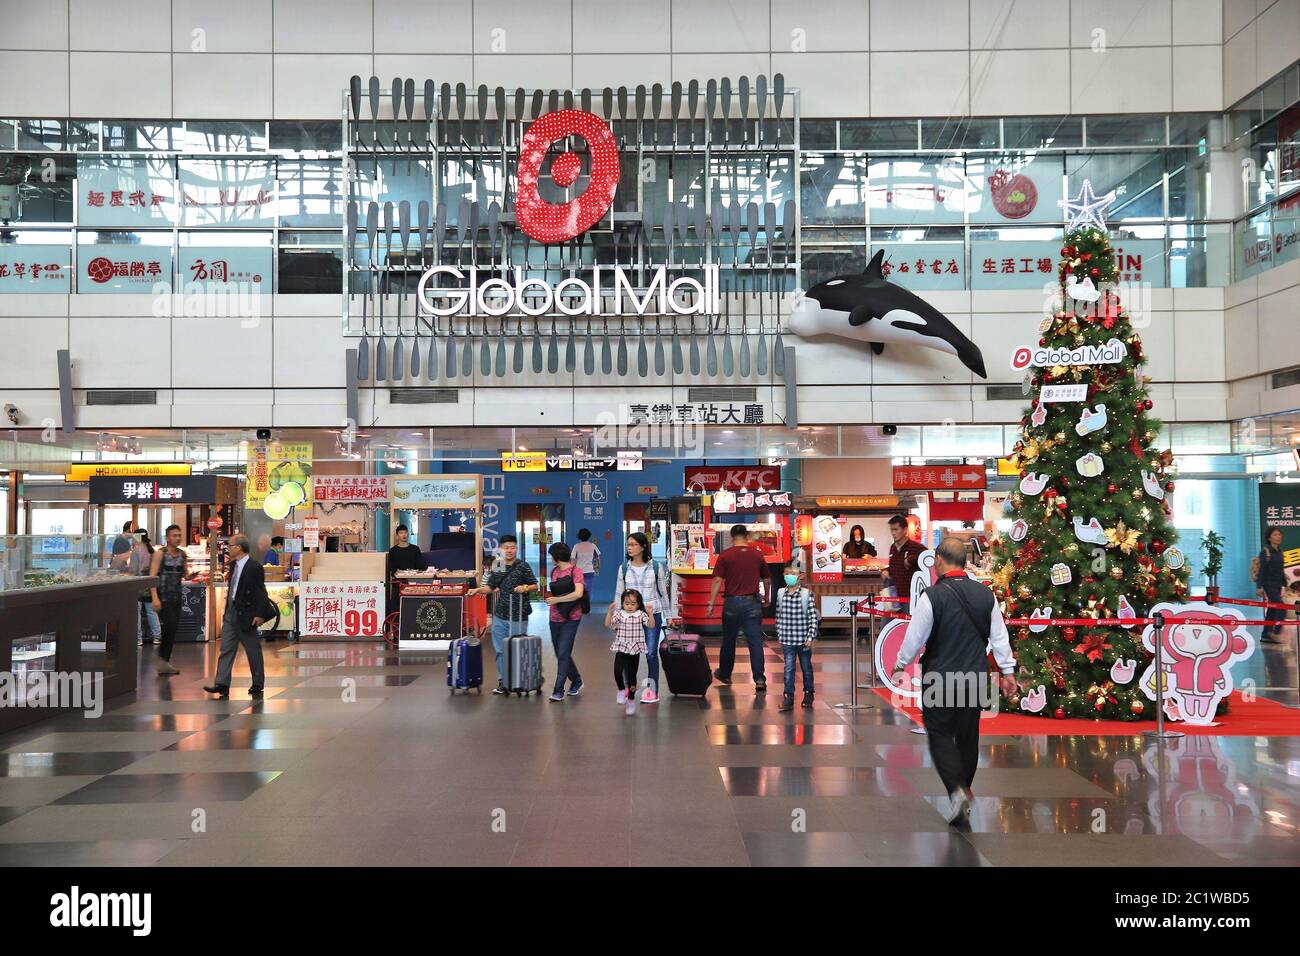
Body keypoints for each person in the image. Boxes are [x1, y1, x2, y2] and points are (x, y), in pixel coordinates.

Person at [892, 536, 1018, 825]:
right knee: (967, 737)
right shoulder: (986, 595)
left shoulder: (932, 597)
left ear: (939, 560)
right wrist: (1008, 672)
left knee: (939, 734)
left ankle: (957, 790)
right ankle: (965, 789)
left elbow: (915, 638)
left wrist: (901, 663)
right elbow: (999, 638)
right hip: (975, 677)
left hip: (940, 676)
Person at [469, 534, 538, 694]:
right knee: (500, 650)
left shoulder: (523, 566)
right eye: (506, 547)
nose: (510, 550)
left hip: (519, 614)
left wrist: (525, 588)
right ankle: (503, 681)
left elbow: (535, 585)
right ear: (501, 549)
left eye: (513, 547)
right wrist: (478, 590)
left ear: (516, 549)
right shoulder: (498, 566)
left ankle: (519, 680)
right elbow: (490, 587)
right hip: (500, 614)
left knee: (517, 648)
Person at [613, 531, 676, 702]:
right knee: (628, 654)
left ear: (643, 547)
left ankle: (652, 691)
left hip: (651, 615)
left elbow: (663, 593)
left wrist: (669, 616)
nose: (630, 548)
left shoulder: (656, 567)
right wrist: (616, 618)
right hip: (629, 618)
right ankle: (629, 688)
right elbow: (619, 594)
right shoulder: (624, 568)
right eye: (628, 545)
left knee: (650, 653)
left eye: (633, 544)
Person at [203, 534, 269, 698]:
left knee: (252, 649)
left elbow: (261, 592)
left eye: (230, 545)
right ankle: (222, 684)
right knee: (226, 648)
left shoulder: (254, 567)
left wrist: (259, 614)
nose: (228, 548)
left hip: (246, 613)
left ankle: (258, 682)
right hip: (231, 611)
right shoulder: (233, 566)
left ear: (239, 547)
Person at [706, 524, 770, 691]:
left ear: (732, 536)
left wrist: (711, 602)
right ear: (747, 536)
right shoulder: (757, 555)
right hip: (753, 602)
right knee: (755, 642)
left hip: (732, 603)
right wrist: (767, 596)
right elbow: (767, 579)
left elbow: (717, 580)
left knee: (729, 640)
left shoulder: (726, 555)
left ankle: (725, 674)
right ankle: (759, 679)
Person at [543, 541, 585, 702]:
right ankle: (576, 680)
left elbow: (578, 594)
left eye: (551, 555)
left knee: (563, 653)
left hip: (571, 618)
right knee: (562, 653)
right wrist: (554, 601)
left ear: (557, 556)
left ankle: (558, 690)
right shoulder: (554, 572)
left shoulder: (576, 571)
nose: (550, 558)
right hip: (555, 618)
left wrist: (556, 599)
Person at [775, 564, 817, 711]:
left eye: (792, 573)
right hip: (787, 639)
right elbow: (778, 615)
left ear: (800, 577)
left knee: (806, 668)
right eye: (786, 573)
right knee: (788, 669)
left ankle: (809, 694)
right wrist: (780, 632)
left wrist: (811, 637)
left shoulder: (806, 594)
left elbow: (813, 617)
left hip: (803, 640)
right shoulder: (781, 593)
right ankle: (788, 697)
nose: (789, 576)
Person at [148, 524, 187, 676]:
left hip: (177, 596)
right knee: (169, 626)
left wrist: (188, 575)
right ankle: (162, 660)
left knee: (172, 629)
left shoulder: (182, 554)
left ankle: (164, 661)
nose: (177, 538)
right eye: (174, 535)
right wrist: (155, 598)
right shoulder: (160, 554)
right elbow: (153, 577)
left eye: (179, 535)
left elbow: (183, 573)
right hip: (163, 597)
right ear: (167, 538)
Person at [606, 589, 651, 717]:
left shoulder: (641, 615)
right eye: (627, 603)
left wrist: (651, 614)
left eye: (633, 603)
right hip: (621, 647)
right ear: (622, 603)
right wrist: (610, 612)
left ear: (638, 604)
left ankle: (631, 700)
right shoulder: (619, 614)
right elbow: (608, 624)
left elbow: (651, 625)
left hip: (635, 649)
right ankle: (621, 689)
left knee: (632, 676)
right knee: (617, 671)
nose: (630, 606)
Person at [129, 529, 159, 647]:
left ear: (138, 537)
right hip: (150, 584)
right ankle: (157, 636)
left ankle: (138, 638)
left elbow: (133, 570)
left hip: (138, 584)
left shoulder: (136, 551)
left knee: (136, 612)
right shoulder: (152, 550)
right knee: (151, 612)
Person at [1256, 526, 1286, 644]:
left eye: (1279, 534)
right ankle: (1276, 633)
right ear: (1269, 538)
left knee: (1272, 610)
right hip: (1269, 585)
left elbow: (1280, 569)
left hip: (1278, 584)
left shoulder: (1280, 551)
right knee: (1281, 608)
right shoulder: (1265, 552)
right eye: (1275, 534)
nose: (1278, 536)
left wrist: (1285, 584)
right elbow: (1262, 570)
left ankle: (1265, 635)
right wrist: (1259, 586)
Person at [886, 513, 926, 597]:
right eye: (891, 530)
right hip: (894, 596)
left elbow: (929, 559)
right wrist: (886, 571)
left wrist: (910, 559)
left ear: (905, 529)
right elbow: (894, 567)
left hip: (911, 596)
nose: (893, 533)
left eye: (896, 529)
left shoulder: (916, 547)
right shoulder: (893, 548)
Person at [386, 524, 425, 607]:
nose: (404, 535)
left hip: (413, 581)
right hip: (399, 582)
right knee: (396, 600)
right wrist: (401, 573)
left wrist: (413, 573)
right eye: (401, 533)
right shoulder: (393, 551)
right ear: (397, 536)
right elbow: (392, 569)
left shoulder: (415, 549)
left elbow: (421, 567)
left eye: (405, 532)